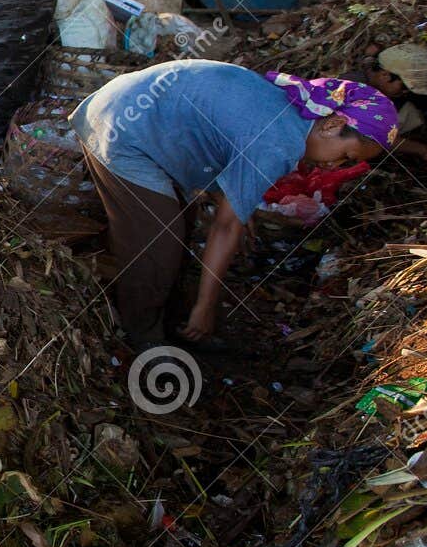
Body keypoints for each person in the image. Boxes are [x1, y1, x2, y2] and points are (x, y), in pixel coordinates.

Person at [72, 60, 397, 350]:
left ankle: (169, 322)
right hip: (121, 127)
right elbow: (226, 226)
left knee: (177, 230)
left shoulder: (290, 114)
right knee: (158, 244)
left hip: (131, 108)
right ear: (332, 124)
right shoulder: (279, 143)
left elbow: (220, 135)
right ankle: (141, 338)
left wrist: (235, 200)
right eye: (345, 156)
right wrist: (206, 306)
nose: (334, 168)